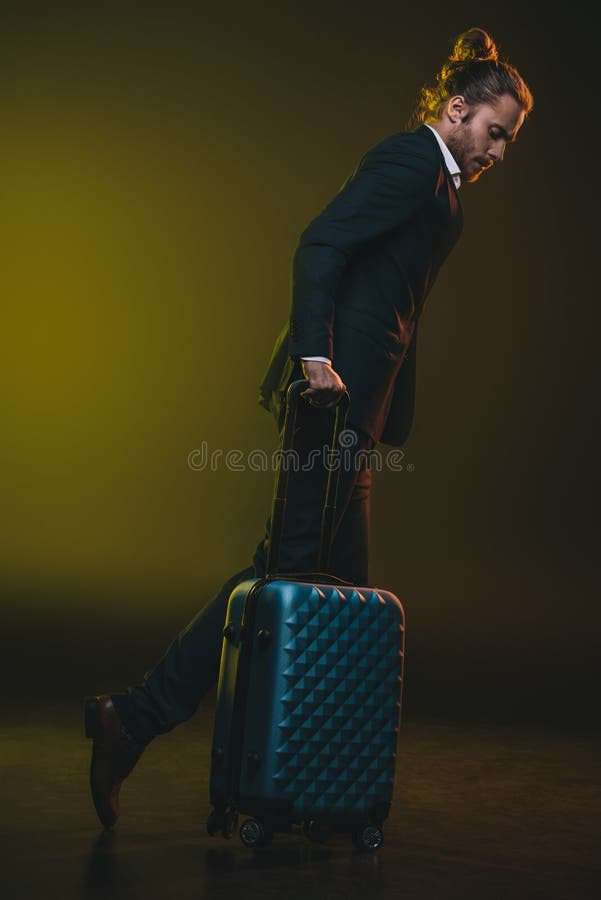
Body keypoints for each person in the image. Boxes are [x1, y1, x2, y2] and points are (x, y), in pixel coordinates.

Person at [85, 27, 533, 829]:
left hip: (358, 412)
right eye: (494, 131)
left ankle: (219, 749)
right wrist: (313, 359)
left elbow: (400, 299)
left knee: (322, 581)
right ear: (457, 109)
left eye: (509, 140)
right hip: (328, 402)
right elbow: (320, 245)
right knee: (292, 574)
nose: (499, 150)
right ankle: (232, 774)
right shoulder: (408, 159)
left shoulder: (443, 183)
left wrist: (388, 406)